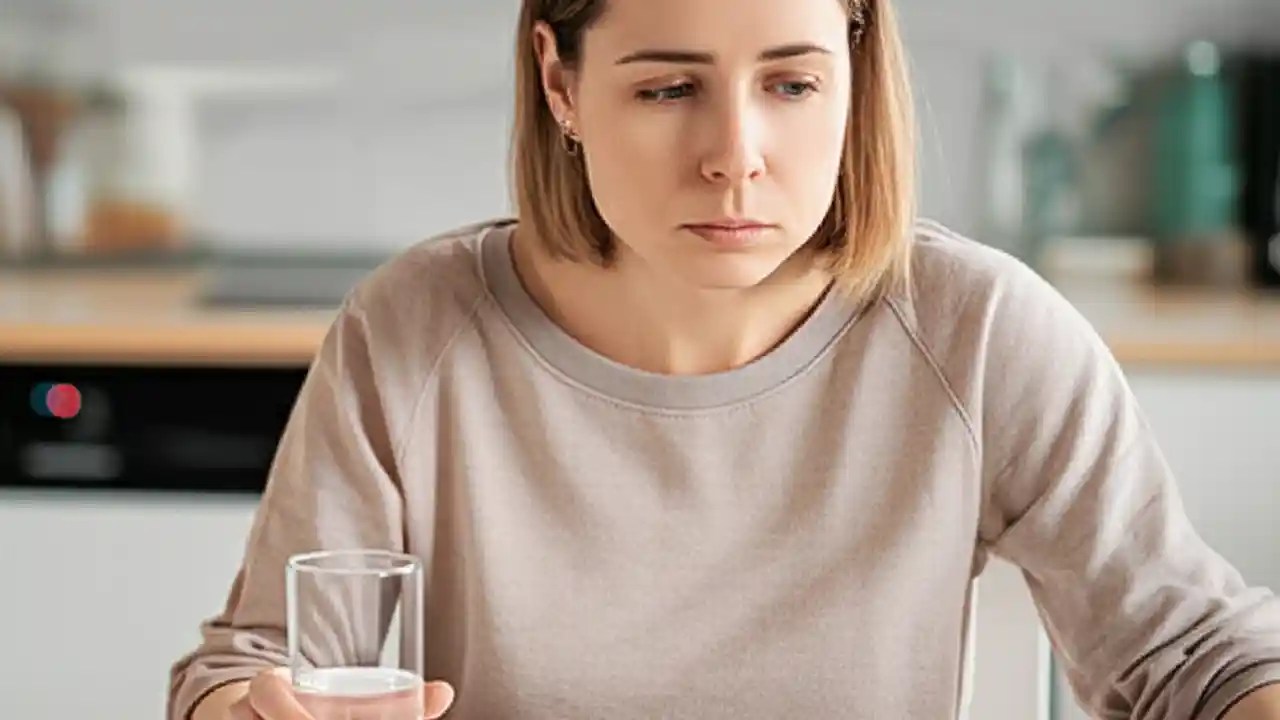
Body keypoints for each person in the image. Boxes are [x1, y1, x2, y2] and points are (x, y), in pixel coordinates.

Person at [169, 0, 1280, 718]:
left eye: (789, 85)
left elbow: (1196, 660)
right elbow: (236, 673)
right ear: (558, 80)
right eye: (666, 88)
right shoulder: (413, 332)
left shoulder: (980, 336)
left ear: (850, 75)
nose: (734, 160)